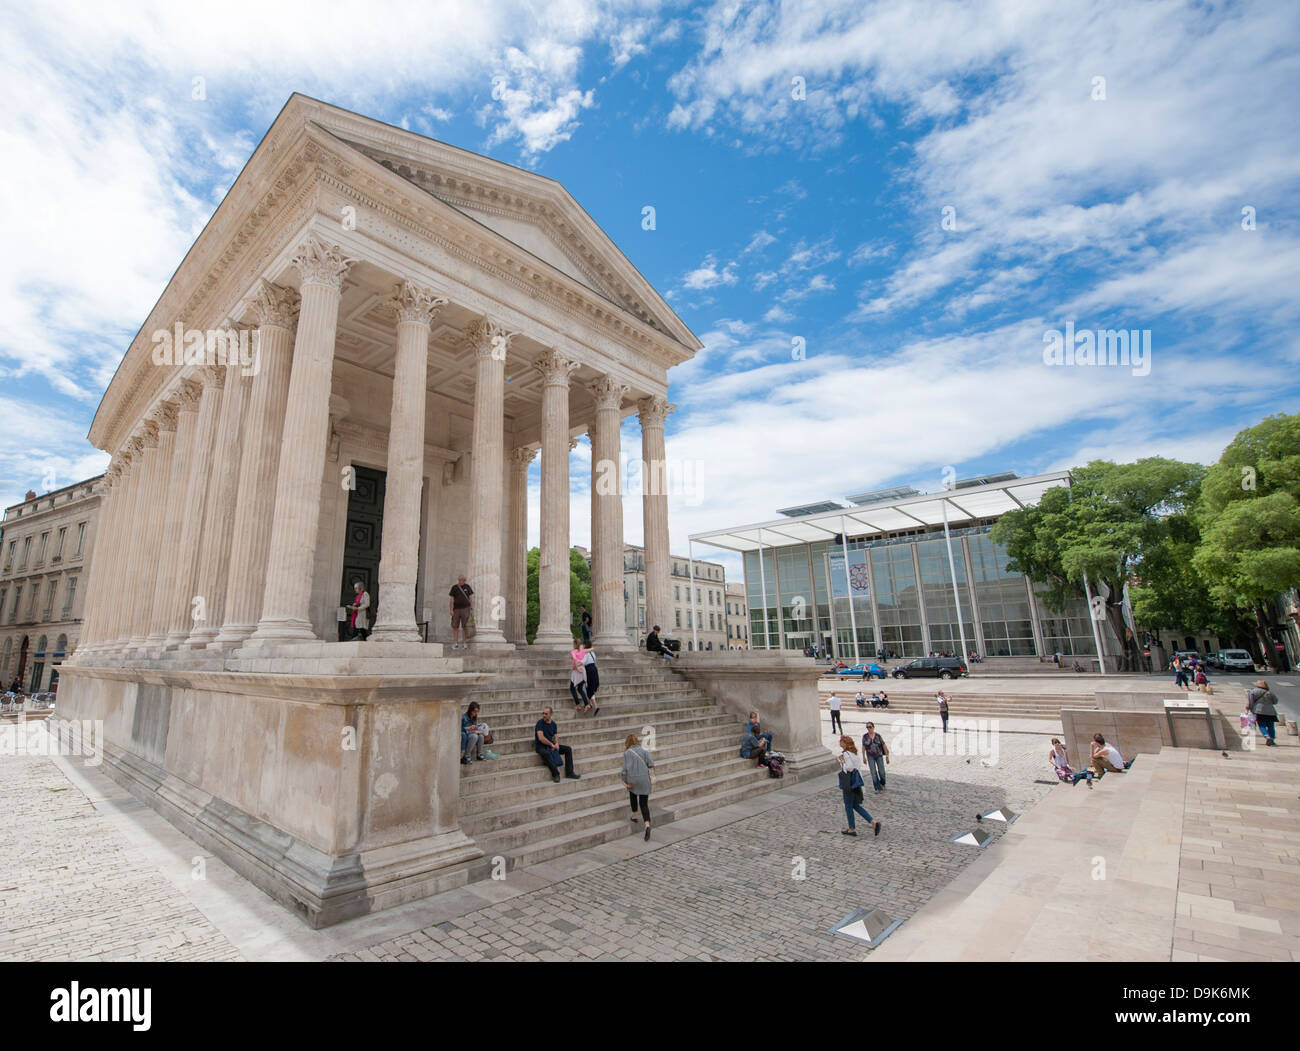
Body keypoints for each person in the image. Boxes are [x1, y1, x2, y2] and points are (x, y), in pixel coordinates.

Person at [836, 736, 881, 837]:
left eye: (841, 741)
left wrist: (842, 762)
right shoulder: (854, 754)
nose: (839, 743)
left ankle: (852, 829)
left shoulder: (846, 754)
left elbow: (849, 768)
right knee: (855, 805)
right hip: (856, 783)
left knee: (848, 805)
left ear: (845, 743)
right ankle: (873, 822)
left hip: (849, 783)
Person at [534, 706, 580, 783]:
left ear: (551, 714)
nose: (544, 715)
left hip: (550, 745)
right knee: (546, 753)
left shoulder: (553, 724)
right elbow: (541, 738)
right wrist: (551, 744)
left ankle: (570, 773)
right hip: (541, 746)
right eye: (543, 713)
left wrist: (557, 743)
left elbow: (555, 736)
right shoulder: (540, 723)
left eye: (546, 714)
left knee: (568, 749)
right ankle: (556, 774)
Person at [622, 733, 654, 841]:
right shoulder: (644, 751)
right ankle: (647, 825)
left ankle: (635, 815)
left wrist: (624, 781)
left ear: (627, 743)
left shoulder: (626, 753)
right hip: (644, 779)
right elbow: (651, 763)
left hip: (632, 779)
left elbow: (624, 770)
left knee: (632, 794)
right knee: (644, 804)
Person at [1246, 680, 1280, 746]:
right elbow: (1275, 701)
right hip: (1270, 712)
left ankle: (1267, 736)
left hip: (1258, 711)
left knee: (1262, 725)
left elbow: (1250, 702)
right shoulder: (1269, 692)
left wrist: (1248, 709)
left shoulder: (1253, 691)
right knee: (1271, 726)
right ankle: (1272, 739)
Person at [860, 721, 889, 791]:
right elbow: (863, 747)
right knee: (873, 772)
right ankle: (877, 787)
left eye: (870, 727)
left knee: (881, 772)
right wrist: (863, 757)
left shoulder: (878, 736)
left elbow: (884, 745)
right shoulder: (865, 736)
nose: (868, 729)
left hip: (879, 755)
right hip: (870, 756)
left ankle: (882, 783)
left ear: (873, 727)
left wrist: (887, 756)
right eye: (867, 727)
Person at [449, 575, 474, 650]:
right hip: (456, 609)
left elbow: (470, 598)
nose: (463, 581)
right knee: (455, 626)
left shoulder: (467, 587)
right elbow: (451, 599)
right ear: (459, 580)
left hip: (465, 609)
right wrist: (451, 609)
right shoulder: (454, 587)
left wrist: (471, 608)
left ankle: (464, 643)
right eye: (461, 580)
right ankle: (455, 643)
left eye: (464, 580)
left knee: (464, 627)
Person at [568, 640, 590, 712]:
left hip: (577, 671)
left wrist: (577, 668)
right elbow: (591, 649)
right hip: (582, 670)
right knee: (580, 689)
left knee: (572, 688)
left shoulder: (573, 652)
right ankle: (587, 704)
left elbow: (574, 659)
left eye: (573, 644)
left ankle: (578, 705)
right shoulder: (583, 651)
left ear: (575, 644)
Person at [583, 644, 600, 713]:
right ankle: (589, 704)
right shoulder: (592, 653)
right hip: (594, 669)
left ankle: (595, 706)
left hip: (589, 670)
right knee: (591, 687)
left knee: (589, 687)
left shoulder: (585, 653)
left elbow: (583, 662)